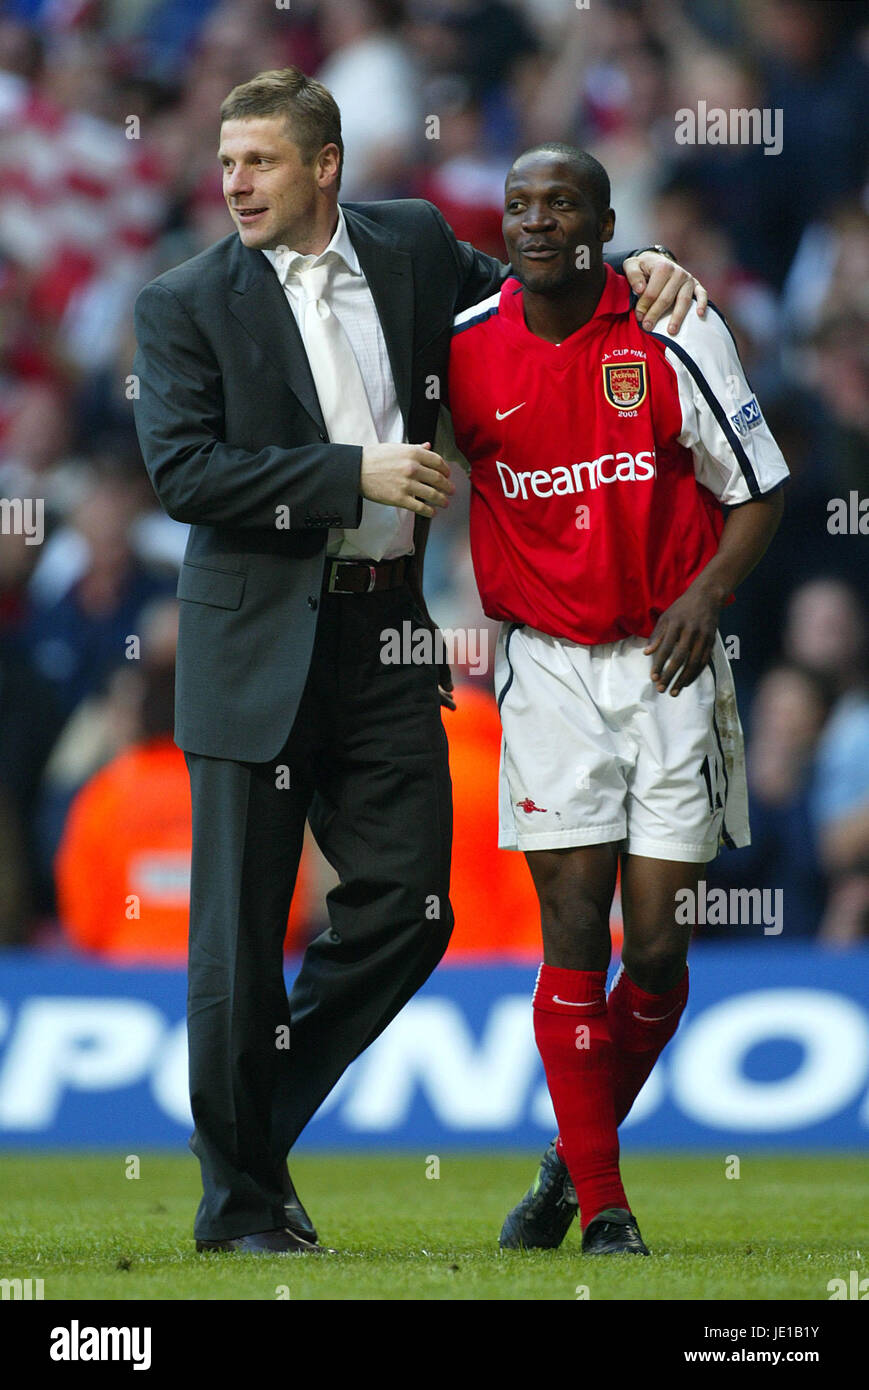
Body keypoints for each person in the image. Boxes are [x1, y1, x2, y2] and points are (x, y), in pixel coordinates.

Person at [132, 68, 705, 1255]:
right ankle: (240, 1205)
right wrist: (350, 475)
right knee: (239, 934)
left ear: (325, 166)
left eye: (260, 161)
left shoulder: (408, 246)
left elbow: (537, 296)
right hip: (253, 641)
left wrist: (637, 266)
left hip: (384, 635)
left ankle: (247, 1135)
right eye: (226, 161)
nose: (233, 181)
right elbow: (184, 472)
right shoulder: (182, 303)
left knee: (412, 908)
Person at [443, 144, 789, 1255]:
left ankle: (564, 1158)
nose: (535, 220)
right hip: (543, 665)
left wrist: (706, 593)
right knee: (572, 927)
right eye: (517, 204)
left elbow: (759, 488)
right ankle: (603, 1208)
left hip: (668, 659)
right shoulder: (460, 348)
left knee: (653, 947)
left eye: (560, 204)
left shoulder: (672, 323)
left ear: (602, 220)